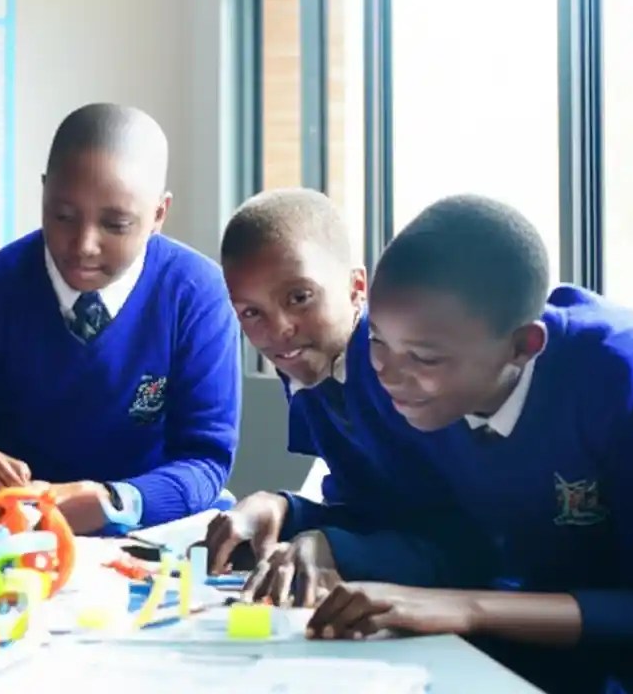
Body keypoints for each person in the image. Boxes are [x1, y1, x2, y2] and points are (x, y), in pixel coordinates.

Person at [305, 195, 633, 693]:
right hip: (508, 652)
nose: (388, 374)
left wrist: (466, 606)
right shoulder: (402, 379)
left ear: (523, 346)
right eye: (376, 339)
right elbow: (415, 521)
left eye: (424, 357)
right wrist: (304, 525)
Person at [0, 103, 241, 535]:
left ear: (158, 215)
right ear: (43, 192)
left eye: (116, 224)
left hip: (151, 532)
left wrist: (117, 501)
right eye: (63, 216)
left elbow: (207, 459)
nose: (84, 244)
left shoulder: (197, 295)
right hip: (20, 532)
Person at [205, 189, 478, 604]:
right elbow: (370, 509)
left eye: (299, 298)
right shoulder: (310, 369)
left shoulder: (409, 372)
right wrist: (284, 510)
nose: (278, 330)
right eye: (251, 313)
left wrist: (339, 547)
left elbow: (473, 545)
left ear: (356, 288)